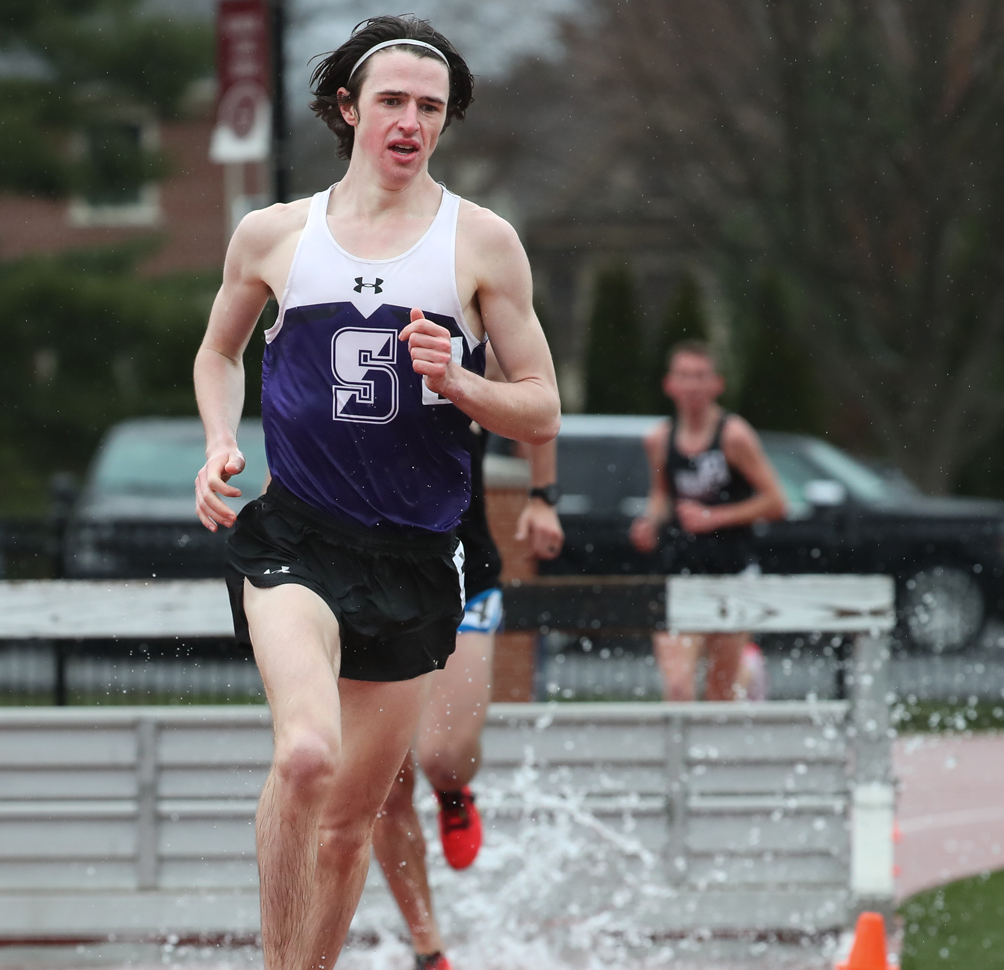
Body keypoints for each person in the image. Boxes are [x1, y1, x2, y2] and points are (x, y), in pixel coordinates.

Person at [191, 15, 560, 970]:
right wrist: (222, 441)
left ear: (446, 123)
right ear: (348, 108)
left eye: (430, 108)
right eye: (392, 101)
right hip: (297, 539)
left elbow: (542, 410)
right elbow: (219, 350)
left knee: (349, 827)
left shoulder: (481, 244)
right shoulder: (276, 234)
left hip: (415, 557)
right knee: (306, 754)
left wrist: (460, 383)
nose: (410, 121)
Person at [370, 414, 563, 970]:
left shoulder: (464, 331)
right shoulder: (324, 334)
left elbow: (538, 395)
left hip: (461, 573)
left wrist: (543, 495)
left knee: (444, 758)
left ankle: (454, 793)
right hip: (361, 582)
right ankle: (429, 950)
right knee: (382, 781)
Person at [628, 342, 787, 702]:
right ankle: (678, 757)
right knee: (679, 687)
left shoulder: (734, 436)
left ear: (717, 384)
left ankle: (747, 671)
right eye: (684, 377)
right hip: (678, 572)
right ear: (669, 385)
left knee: (720, 692)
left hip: (731, 572)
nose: (692, 386)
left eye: (700, 377)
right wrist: (650, 522)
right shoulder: (659, 439)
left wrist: (714, 517)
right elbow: (662, 494)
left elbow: (777, 502)